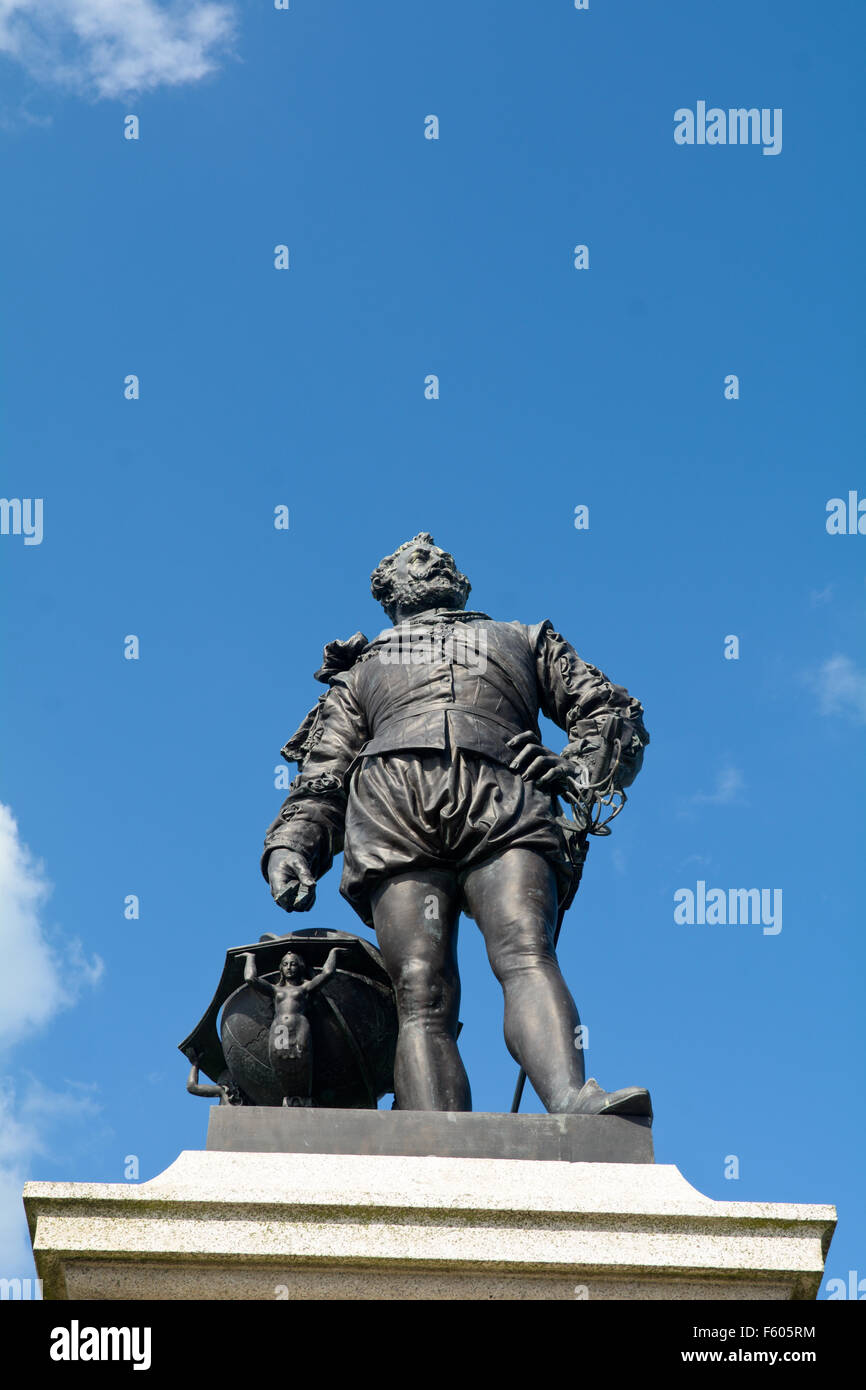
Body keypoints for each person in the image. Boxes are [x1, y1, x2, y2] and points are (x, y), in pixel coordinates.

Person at [260, 534, 650, 1116]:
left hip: (504, 796)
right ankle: (433, 1140)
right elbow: (324, 773)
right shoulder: (360, 673)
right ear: (392, 587)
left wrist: (576, 765)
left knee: (525, 946)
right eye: (419, 558)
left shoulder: (523, 639)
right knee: (420, 986)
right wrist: (293, 843)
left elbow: (608, 711)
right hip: (393, 810)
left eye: (444, 555)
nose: (440, 559)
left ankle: (572, 1102)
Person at [242, 949, 342, 1106]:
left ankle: (303, 1095)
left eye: (293, 964)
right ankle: (289, 1096)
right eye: (285, 964)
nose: (289, 967)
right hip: (279, 1026)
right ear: (281, 968)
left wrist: (333, 952)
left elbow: (328, 973)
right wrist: (250, 958)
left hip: (300, 1024)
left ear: (300, 967)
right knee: (279, 1058)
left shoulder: (305, 988)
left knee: (302, 1056)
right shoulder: (275, 989)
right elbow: (251, 979)